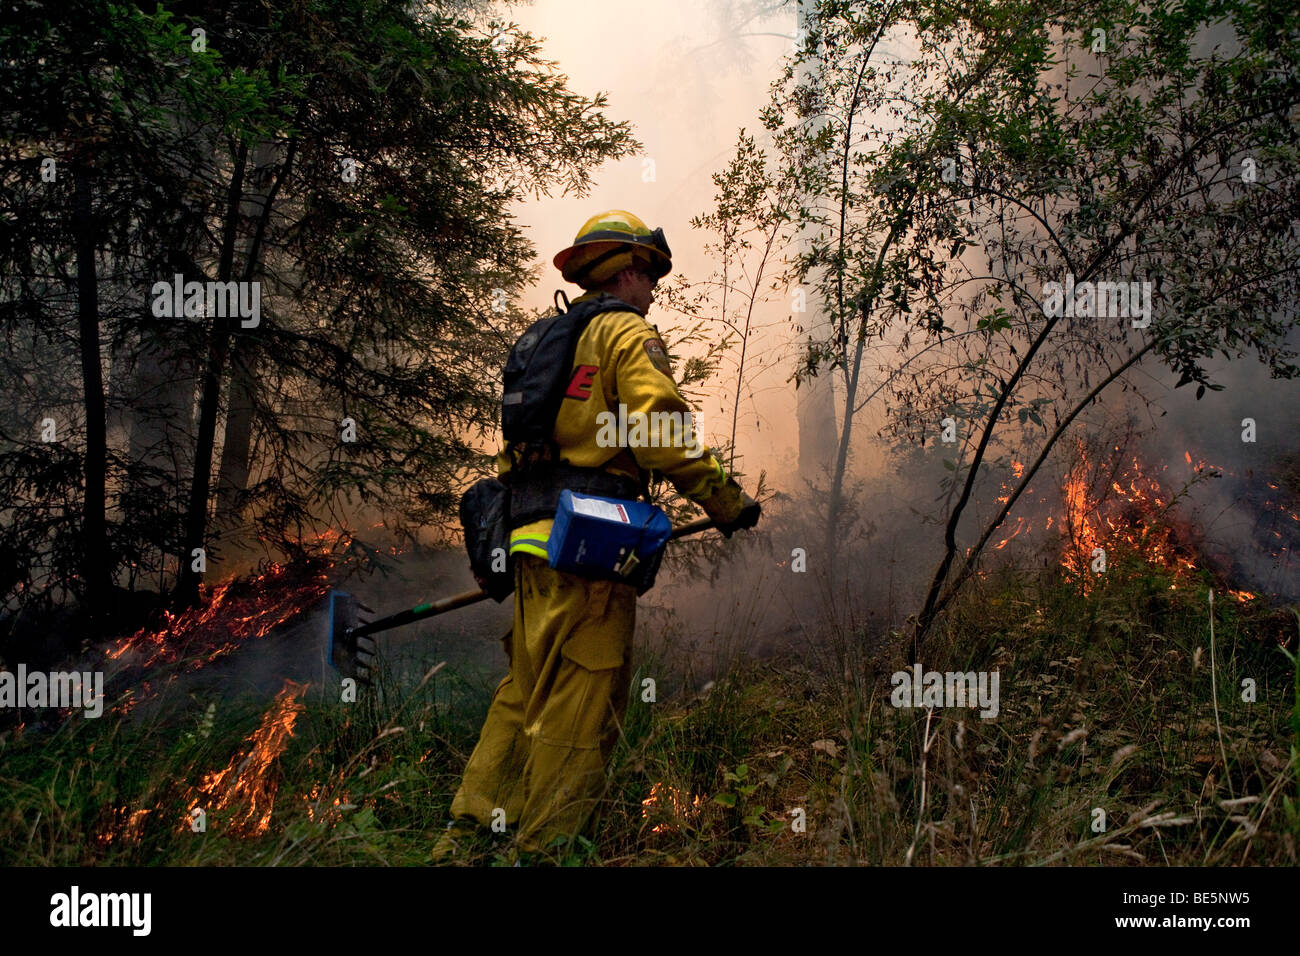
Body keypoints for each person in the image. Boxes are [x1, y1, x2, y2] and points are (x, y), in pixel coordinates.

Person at [434, 209, 760, 861]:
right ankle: (547, 848)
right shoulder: (622, 333)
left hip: (527, 541)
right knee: (582, 700)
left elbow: (517, 458)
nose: (654, 292)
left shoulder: (543, 340)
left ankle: (470, 832)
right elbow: (660, 431)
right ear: (630, 271)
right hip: (591, 545)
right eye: (650, 277)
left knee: (528, 690)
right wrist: (726, 500)